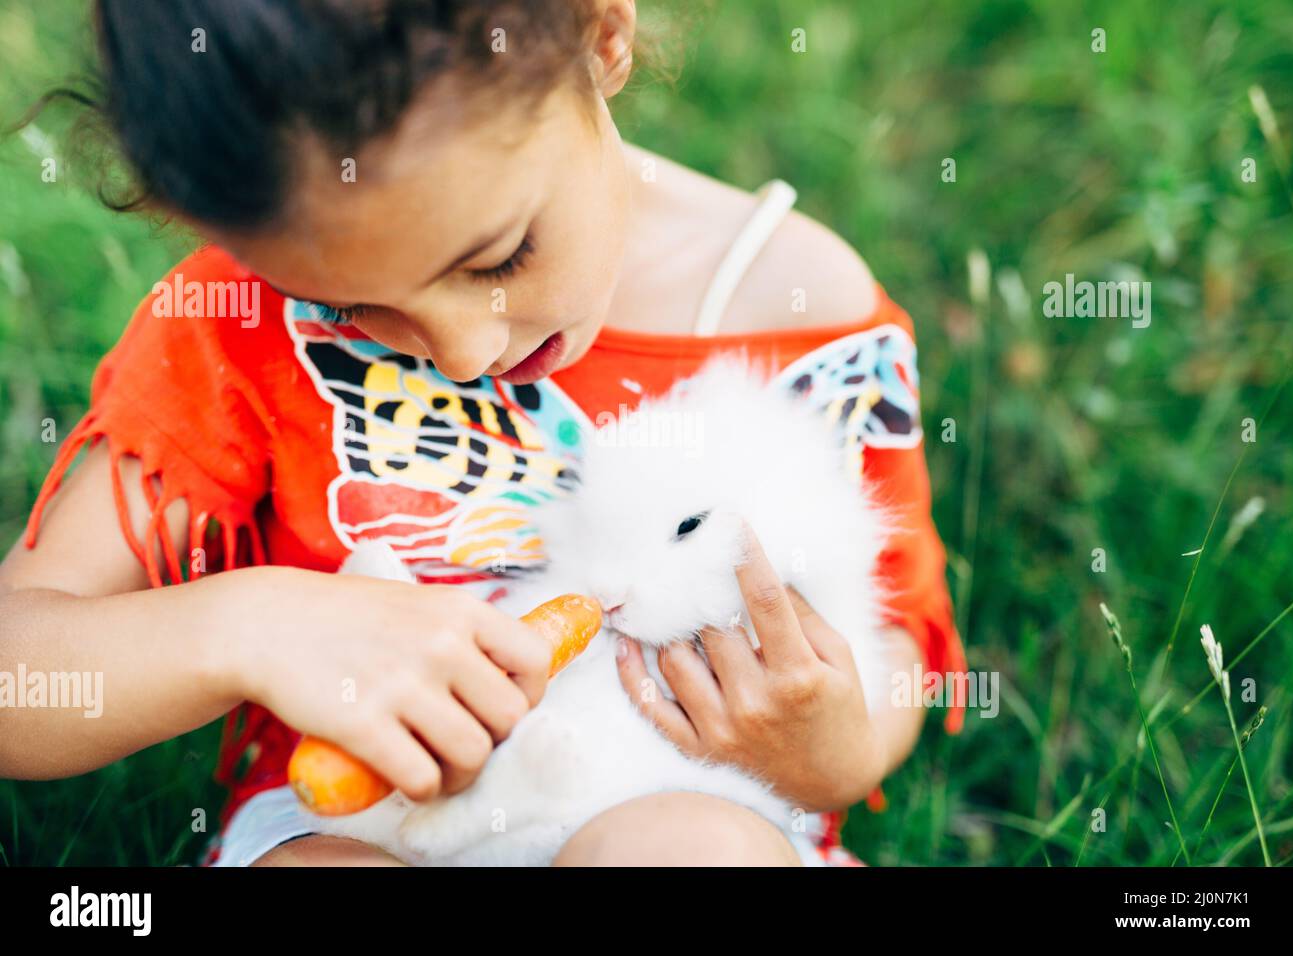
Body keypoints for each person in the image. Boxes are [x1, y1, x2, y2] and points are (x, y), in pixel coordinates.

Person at [0, 0, 966, 866]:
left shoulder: (796, 318)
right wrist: (242, 627)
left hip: (689, 802)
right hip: (366, 828)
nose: (461, 354)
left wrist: (834, 752)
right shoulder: (235, 318)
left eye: (499, 256)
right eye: (341, 304)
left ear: (602, 34)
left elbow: (891, 649)